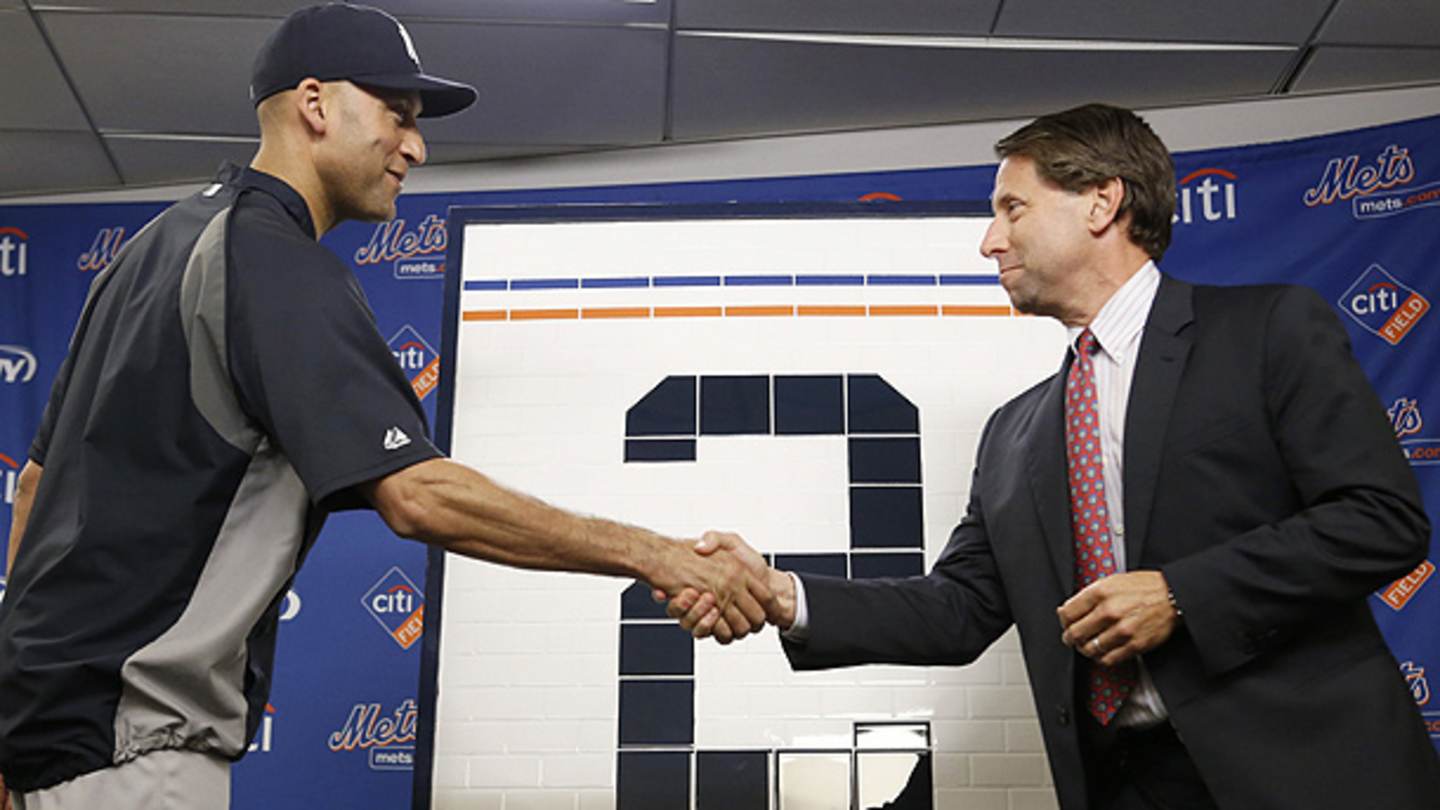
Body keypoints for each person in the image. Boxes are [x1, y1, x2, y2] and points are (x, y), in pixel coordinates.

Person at [0, 4, 767, 809]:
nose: (416, 144)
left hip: (50, 746)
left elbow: (33, 495)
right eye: (396, 115)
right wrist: (658, 555)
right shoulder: (273, 260)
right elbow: (417, 494)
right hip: (138, 752)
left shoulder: (150, 250)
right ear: (314, 105)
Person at [668, 104, 1440, 809]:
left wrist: (1179, 595)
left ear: (1102, 204)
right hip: (1124, 786)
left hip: (1308, 776)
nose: (989, 240)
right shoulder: (1015, 433)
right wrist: (782, 594)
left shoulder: (1267, 330)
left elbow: (1380, 521)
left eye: (1012, 208)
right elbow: (958, 610)